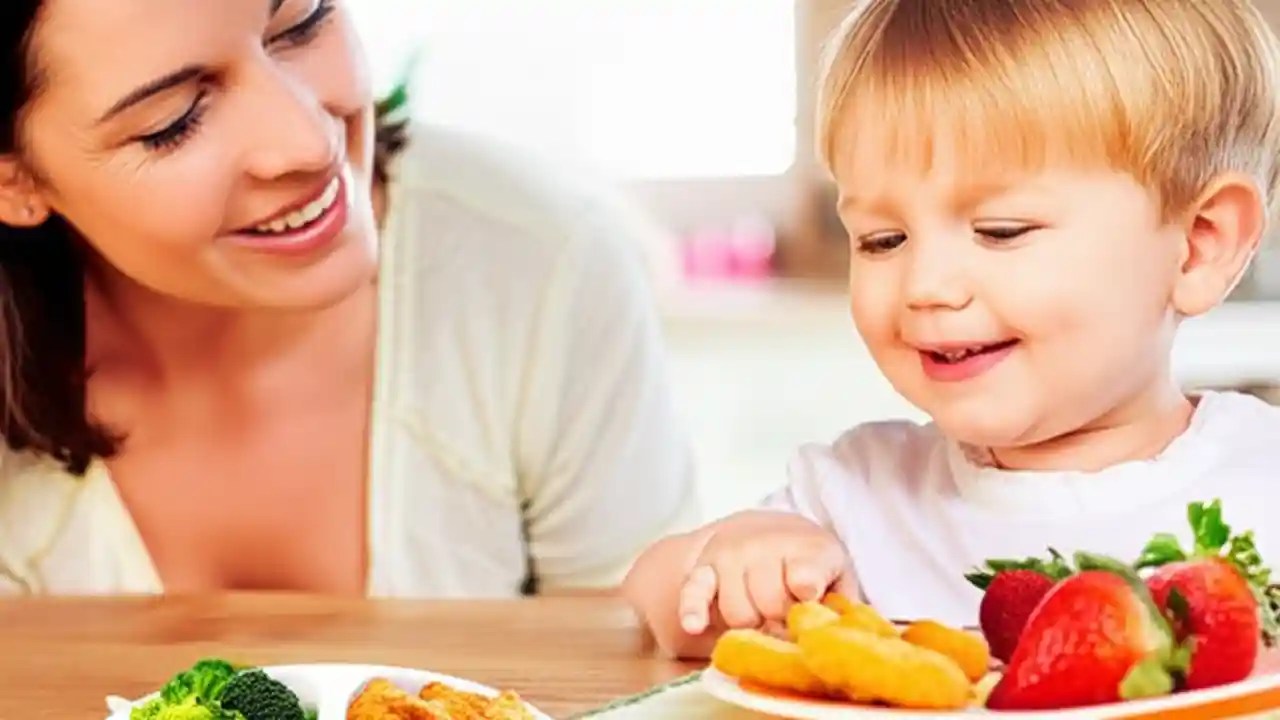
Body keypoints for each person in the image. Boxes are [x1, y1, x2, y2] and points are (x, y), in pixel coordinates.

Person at [624, 0, 1280, 659]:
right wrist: (743, 561)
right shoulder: (855, 496)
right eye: (883, 240)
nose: (926, 286)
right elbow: (658, 595)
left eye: (1001, 231)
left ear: (1199, 244)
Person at [0, 0, 700, 597]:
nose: (309, 142)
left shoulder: (542, 259)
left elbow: (645, 670)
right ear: (14, 181)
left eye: (301, 24)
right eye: (174, 120)